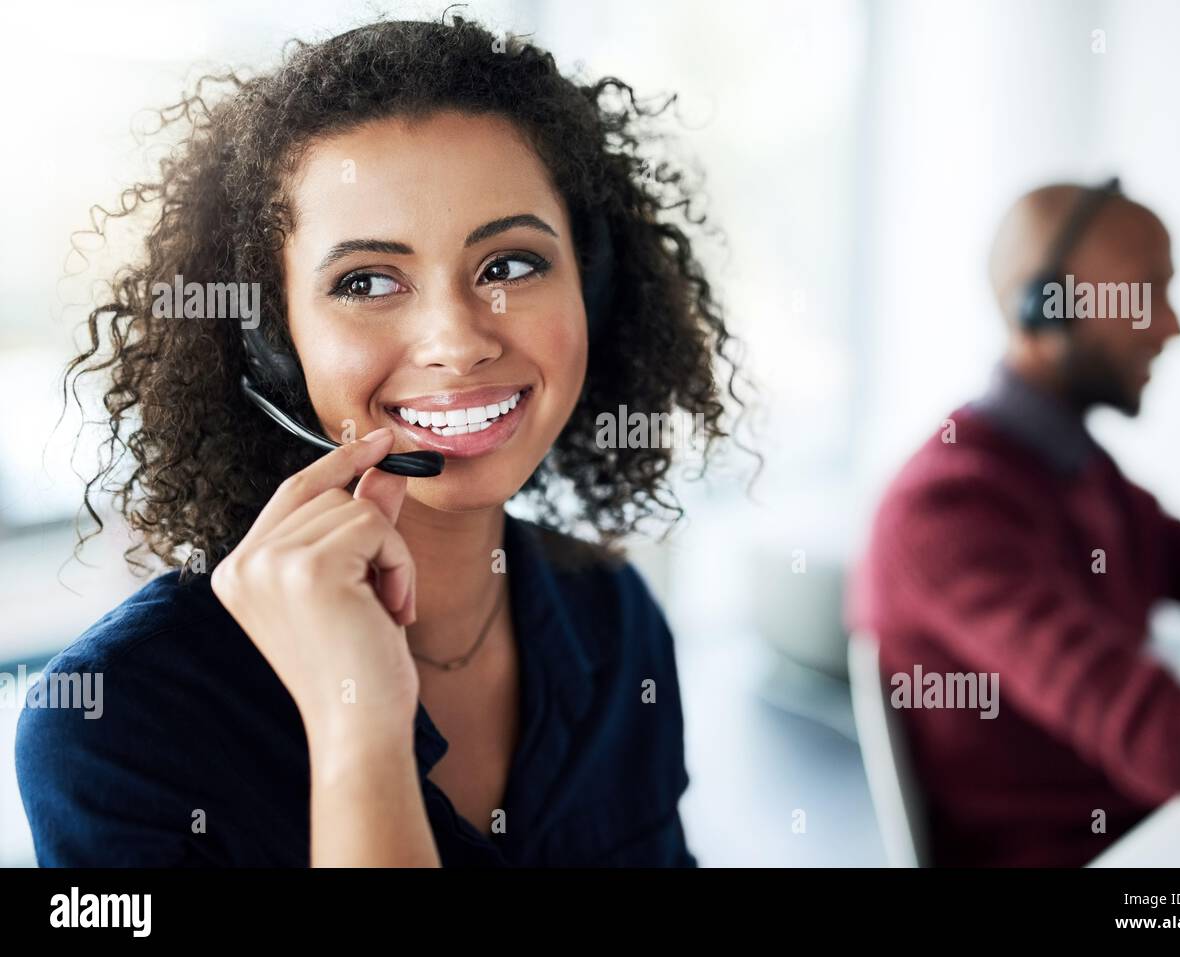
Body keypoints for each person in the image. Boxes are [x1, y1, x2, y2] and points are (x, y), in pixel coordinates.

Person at [17, 17, 747, 867]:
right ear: (272, 344)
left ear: (590, 289)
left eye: (510, 265)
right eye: (366, 281)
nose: (458, 340)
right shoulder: (118, 720)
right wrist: (358, 727)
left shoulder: (613, 621)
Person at [846, 179, 1180, 867]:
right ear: (1047, 305)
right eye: (1146, 290)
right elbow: (1155, 731)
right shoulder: (946, 508)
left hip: (1151, 838)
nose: (1172, 325)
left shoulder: (1083, 473)